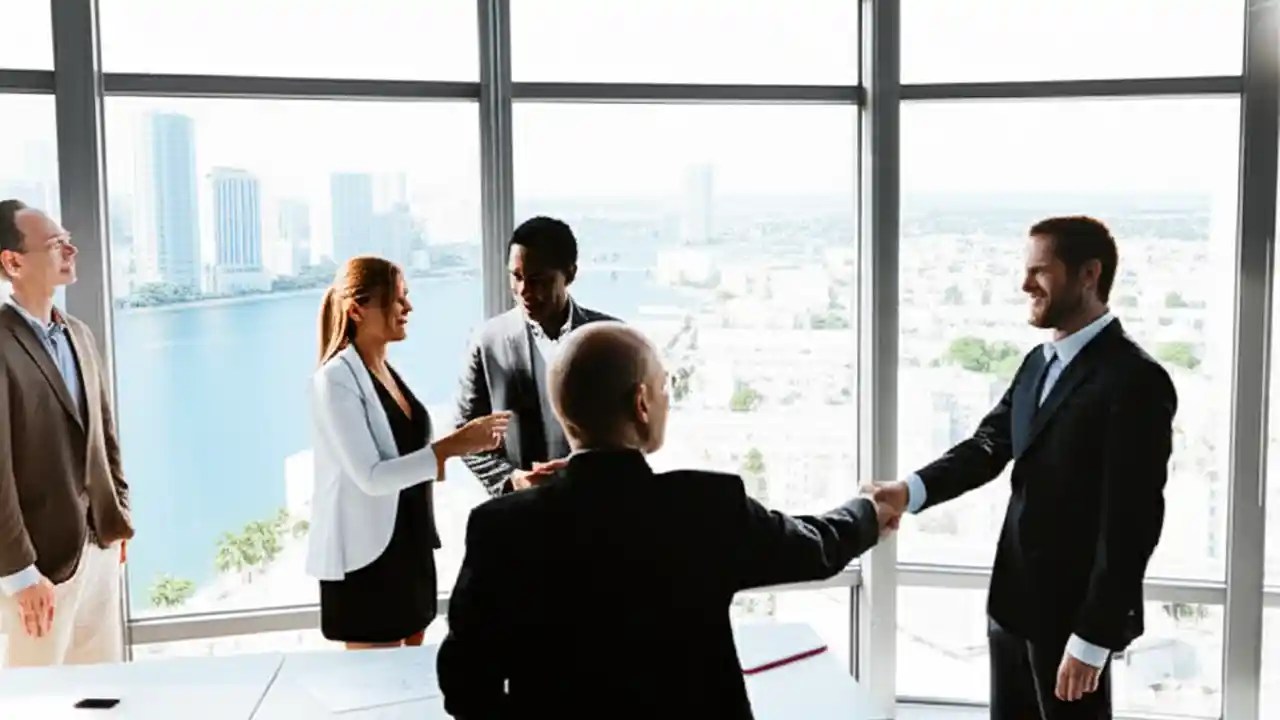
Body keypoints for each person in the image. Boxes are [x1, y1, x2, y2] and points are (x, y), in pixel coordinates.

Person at [438, 321, 898, 719]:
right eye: (664, 387)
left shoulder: (500, 528)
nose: (665, 399)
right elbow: (815, 547)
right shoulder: (706, 507)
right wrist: (868, 511)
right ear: (641, 402)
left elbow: (463, 681)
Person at [872, 216, 1177, 720]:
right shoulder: (1038, 363)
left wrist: (1093, 638)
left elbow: (1134, 522)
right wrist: (909, 491)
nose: (1024, 284)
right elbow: (989, 445)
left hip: (1072, 626)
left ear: (1088, 275)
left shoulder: (1136, 380)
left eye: (1040, 271)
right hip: (1011, 611)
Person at [307, 256, 511, 650]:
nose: (409, 308)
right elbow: (372, 477)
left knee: (409, 681)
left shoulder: (384, 370)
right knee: (376, 693)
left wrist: (468, 444)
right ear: (357, 309)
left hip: (410, 544)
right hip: (368, 559)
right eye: (399, 299)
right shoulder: (334, 380)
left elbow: (407, 452)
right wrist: (453, 446)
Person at [0, 200, 133, 667]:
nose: (70, 250)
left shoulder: (79, 333)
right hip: (38, 571)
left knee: (102, 694)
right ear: (12, 262)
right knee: (35, 705)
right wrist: (18, 573)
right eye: (56, 244)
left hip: (99, 551)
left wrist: (118, 521)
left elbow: (106, 440)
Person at [456, 216, 616, 496]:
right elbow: (465, 433)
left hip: (598, 510)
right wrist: (512, 479)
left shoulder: (611, 339)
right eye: (516, 277)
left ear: (570, 274)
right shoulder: (487, 342)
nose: (524, 291)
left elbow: (632, 429)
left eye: (537, 280)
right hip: (520, 516)